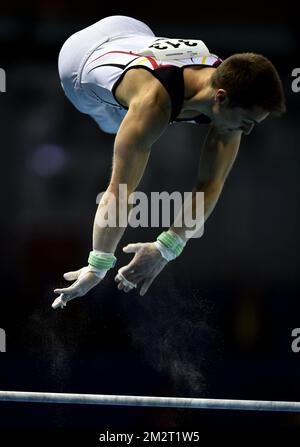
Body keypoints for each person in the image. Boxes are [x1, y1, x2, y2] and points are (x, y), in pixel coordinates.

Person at [52, 15, 285, 309]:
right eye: (248, 121)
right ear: (221, 98)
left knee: (131, 122)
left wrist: (166, 248)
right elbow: (120, 191)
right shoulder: (153, 102)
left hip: (131, 30)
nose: (248, 130)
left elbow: (211, 183)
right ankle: (111, 113)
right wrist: (98, 264)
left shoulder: (229, 84)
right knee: (112, 124)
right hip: (77, 63)